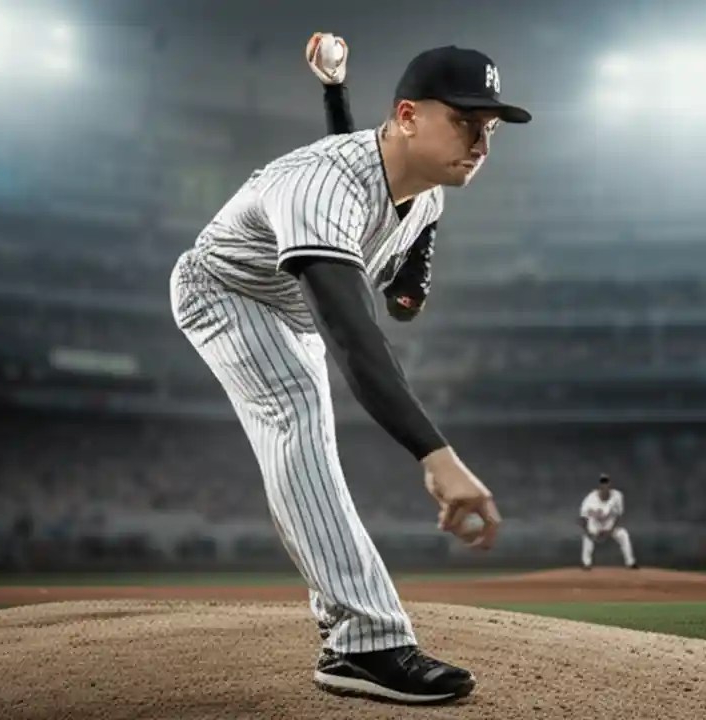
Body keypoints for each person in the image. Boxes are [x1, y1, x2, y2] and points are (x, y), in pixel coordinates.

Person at [169, 33, 531, 703]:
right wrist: (437, 455)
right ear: (407, 115)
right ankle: (364, 642)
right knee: (296, 413)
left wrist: (336, 92)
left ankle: (350, 631)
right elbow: (349, 330)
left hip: (291, 306)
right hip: (225, 288)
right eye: (464, 120)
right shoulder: (317, 184)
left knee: (305, 422)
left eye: (488, 127)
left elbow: (381, 225)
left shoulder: (427, 195)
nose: (481, 141)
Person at [578, 475, 638, 569]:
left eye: (606, 482)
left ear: (610, 485)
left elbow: (619, 516)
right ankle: (586, 563)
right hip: (595, 524)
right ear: (599, 486)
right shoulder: (590, 498)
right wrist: (588, 531)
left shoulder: (617, 496)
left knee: (623, 535)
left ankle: (630, 563)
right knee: (587, 537)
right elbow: (583, 517)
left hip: (610, 524)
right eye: (602, 483)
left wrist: (610, 530)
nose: (604, 485)